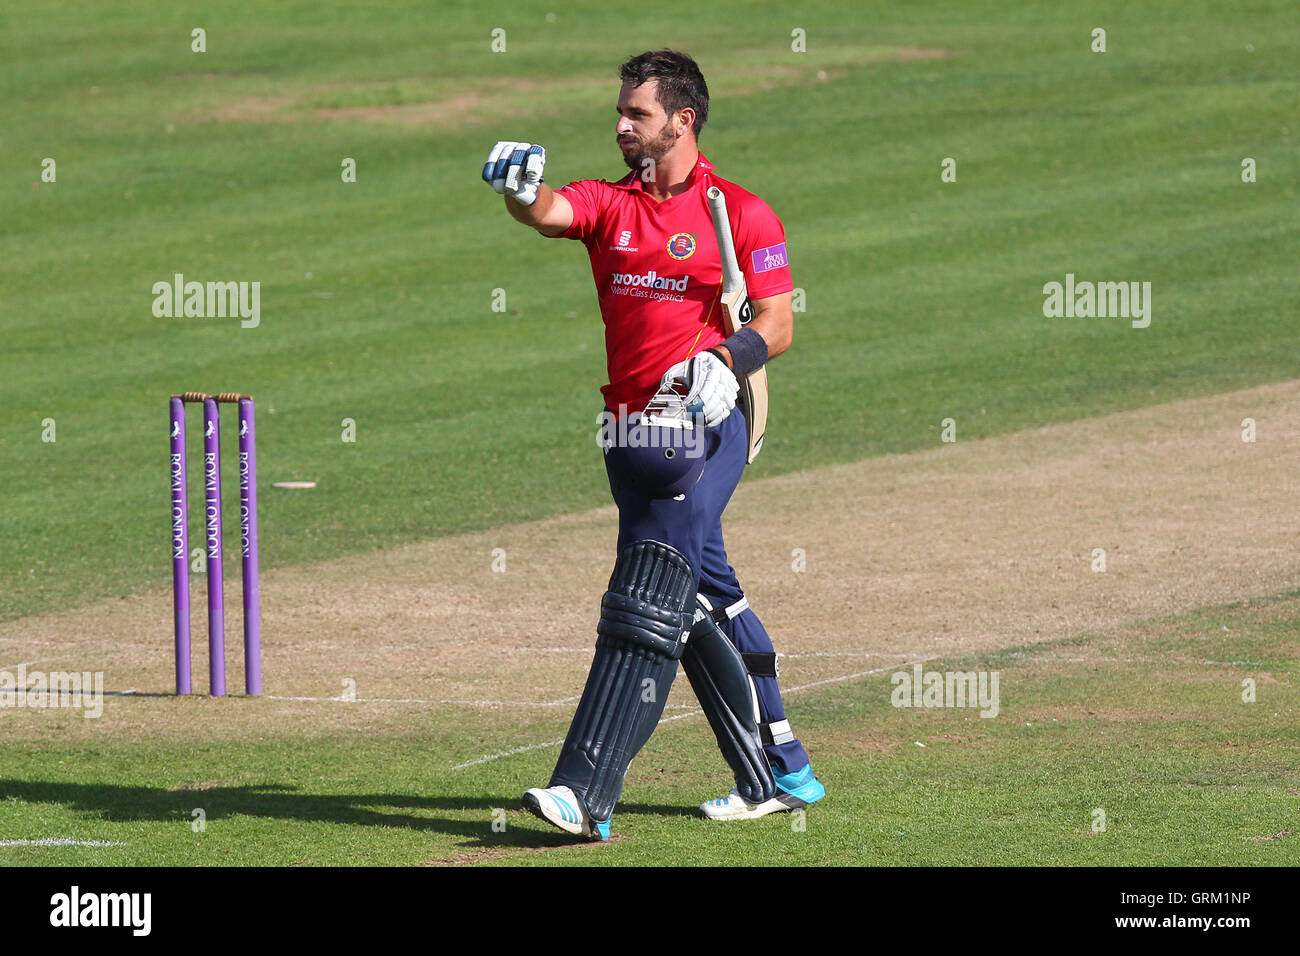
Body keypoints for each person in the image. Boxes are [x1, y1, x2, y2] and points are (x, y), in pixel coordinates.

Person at [481, 49, 825, 841]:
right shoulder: (612, 203)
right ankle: (780, 769)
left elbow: (779, 324)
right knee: (703, 593)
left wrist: (724, 360)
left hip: (709, 425)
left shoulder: (739, 212)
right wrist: (519, 192)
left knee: (646, 591)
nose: (621, 126)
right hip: (629, 432)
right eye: (621, 112)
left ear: (683, 120)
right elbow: (549, 213)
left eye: (636, 115)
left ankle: (584, 792)